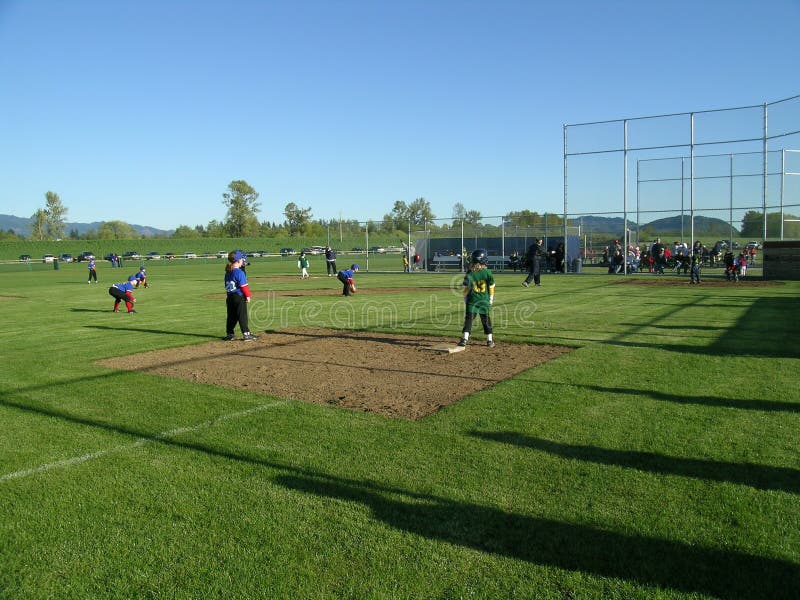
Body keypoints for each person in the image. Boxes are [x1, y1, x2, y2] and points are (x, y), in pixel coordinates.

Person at [457, 249, 495, 348]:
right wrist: (491, 298)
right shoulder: (487, 272)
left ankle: (464, 339)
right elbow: (491, 286)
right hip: (484, 300)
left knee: (469, 320)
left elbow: (466, 288)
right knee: (486, 321)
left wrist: (465, 298)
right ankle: (489, 340)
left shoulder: (470, 273)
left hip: (472, 301)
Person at [224, 250, 258, 341]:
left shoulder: (228, 272)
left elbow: (227, 286)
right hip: (238, 296)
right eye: (242, 259)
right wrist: (248, 296)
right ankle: (246, 334)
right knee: (242, 315)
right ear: (239, 260)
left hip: (230, 297)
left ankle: (230, 334)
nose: (243, 261)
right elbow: (244, 286)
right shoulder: (239, 272)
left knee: (231, 316)